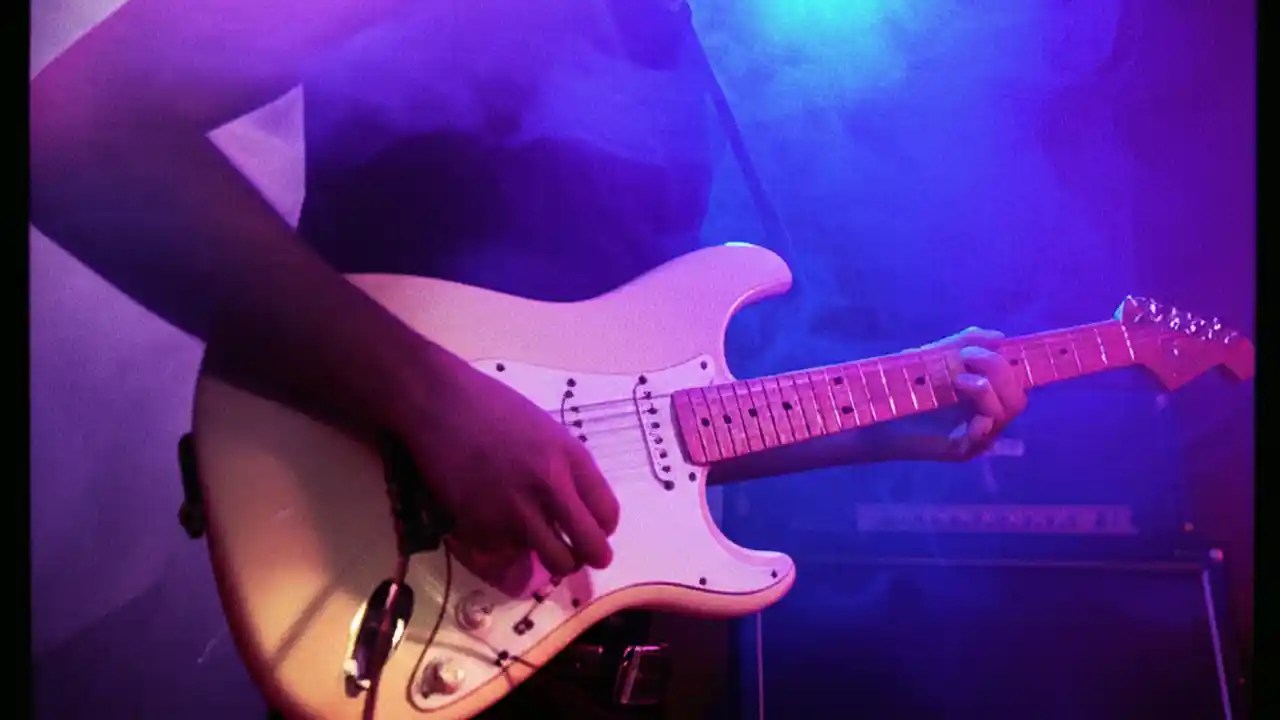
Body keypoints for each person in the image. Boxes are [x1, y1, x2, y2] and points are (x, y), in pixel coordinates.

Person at [30, 0, 1028, 716]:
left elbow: (621, 420)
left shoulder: (666, 33)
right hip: (413, 607)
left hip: (616, 655)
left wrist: (875, 427)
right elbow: (70, 137)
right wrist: (433, 408)